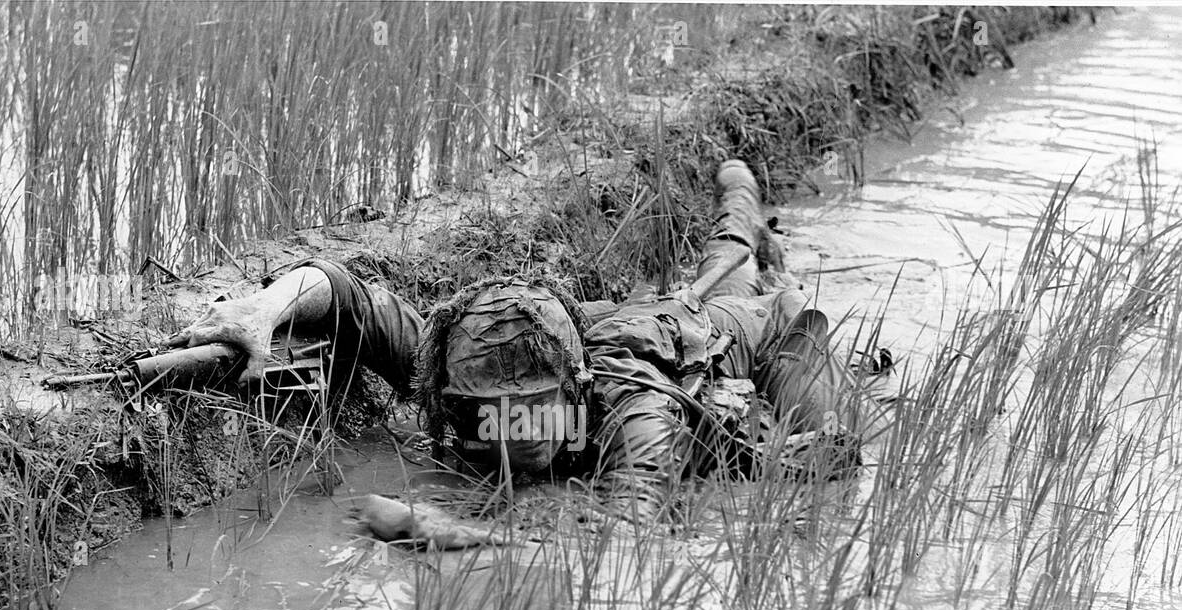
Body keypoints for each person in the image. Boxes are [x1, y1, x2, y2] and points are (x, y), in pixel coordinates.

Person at [169, 160, 868, 522]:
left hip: (758, 328)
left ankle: (739, 183)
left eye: (527, 416)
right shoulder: (456, 364)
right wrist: (264, 308)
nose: (507, 434)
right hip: (616, 319)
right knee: (713, 270)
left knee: (741, 265)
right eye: (484, 418)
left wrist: (449, 531)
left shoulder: (635, 410)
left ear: (574, 395)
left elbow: (623, 539)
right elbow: (344, 290)